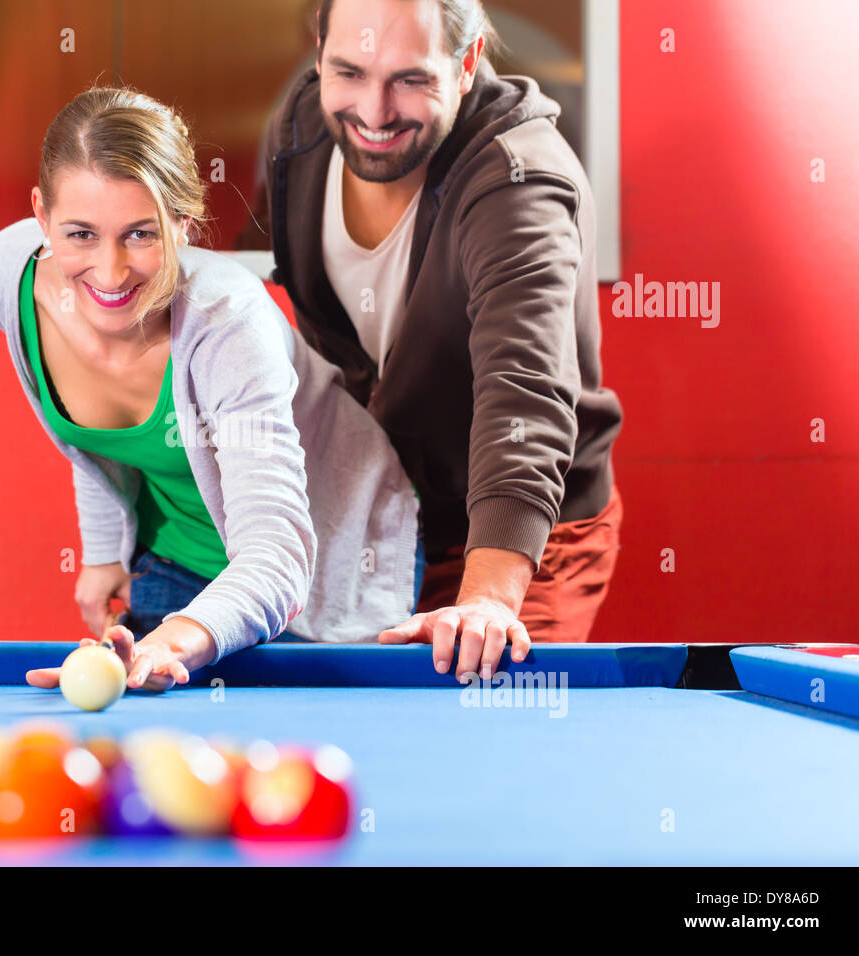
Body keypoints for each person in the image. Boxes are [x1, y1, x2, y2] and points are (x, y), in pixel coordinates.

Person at [0, 86, 421, 693]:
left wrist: (172, 639)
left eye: (140, 234)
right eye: (80, 233)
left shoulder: (227, 324)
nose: (109, 272)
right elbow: (102, 441)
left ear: (183, 224)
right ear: (40, 215)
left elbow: (277, 556)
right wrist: (105, 553)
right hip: (178, 562)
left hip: (326, 568)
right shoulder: (4, 281)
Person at [262, 0, 624, 682]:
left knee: (488, 729)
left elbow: (524, 396)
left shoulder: (522, 183)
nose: (373, 111)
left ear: (467, 62)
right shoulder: (306, 127)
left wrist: (486, 598)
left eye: (410, 79)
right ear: (319, 53)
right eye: (350, 71)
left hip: (524, 531)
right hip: (384, 516)